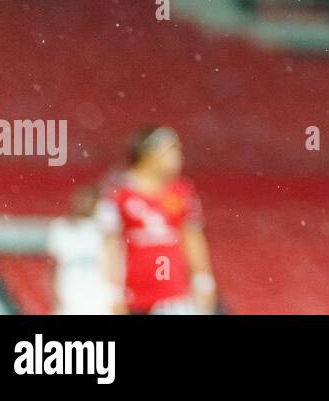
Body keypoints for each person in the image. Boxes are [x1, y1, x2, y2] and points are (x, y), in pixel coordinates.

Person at [97, 126, 218, 314]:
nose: (179, 156)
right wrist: (113, 292)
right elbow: (110, 246)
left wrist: (203, 279)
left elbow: (192, 238)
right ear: (149, 154)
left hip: (173, 297)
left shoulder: (182, 192)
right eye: (172, 149)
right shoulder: (118, 195)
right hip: (133, 298)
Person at [46, 185, 115, 315]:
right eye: (83, 199)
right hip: (68, 292)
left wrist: (113, 294)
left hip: (98, 294)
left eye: (90, 200)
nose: (85, 204)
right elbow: (52, 264)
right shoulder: (61, 227)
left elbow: (113, 263)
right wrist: (53, 293)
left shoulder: (105, 231)